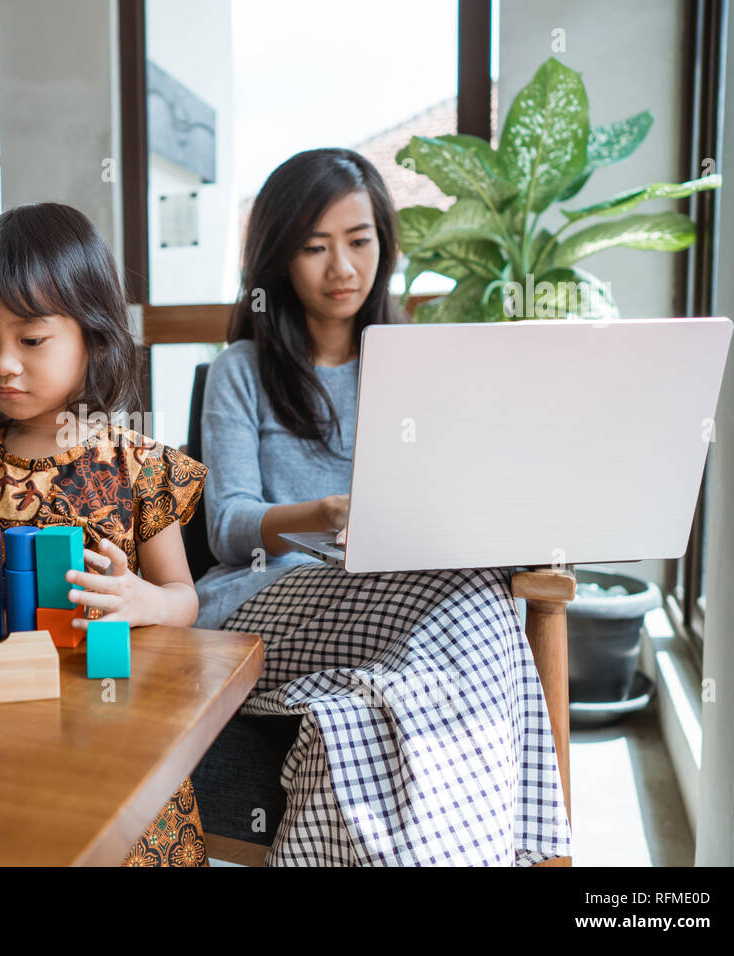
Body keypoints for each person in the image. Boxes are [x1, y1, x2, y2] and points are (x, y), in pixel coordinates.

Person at [194, 148, 572, 865]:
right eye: (314, 247)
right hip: (263, 598)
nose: (342, 268)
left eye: (359, 241)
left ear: (384, 245)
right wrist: (324, 514)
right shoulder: (239, 372)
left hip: (404, 602)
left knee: (371, 714)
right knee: (472, 597)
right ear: (279, 259)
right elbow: (227, 526)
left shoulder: (415, 359)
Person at [0, 202, 210, 867]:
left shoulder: (137, 465)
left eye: (31, 341)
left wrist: (144, 601)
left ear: (93, 337)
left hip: (107, 714)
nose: (3, 363)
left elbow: (184, 597)